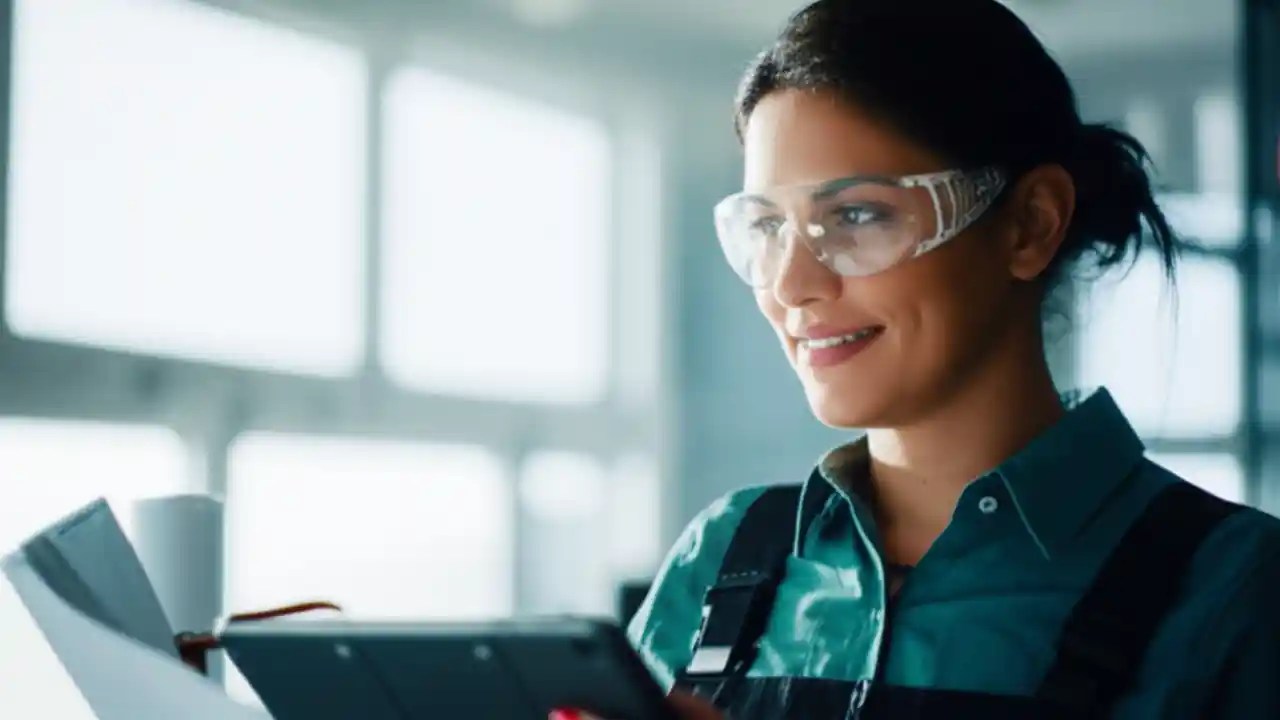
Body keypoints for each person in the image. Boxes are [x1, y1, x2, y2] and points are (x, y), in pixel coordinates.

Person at [616, 0, 1280, 718]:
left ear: (1030, 225)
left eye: (858, 216)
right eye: (769, 226)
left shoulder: (1233, 586)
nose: (792, 285)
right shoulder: (723, 555)